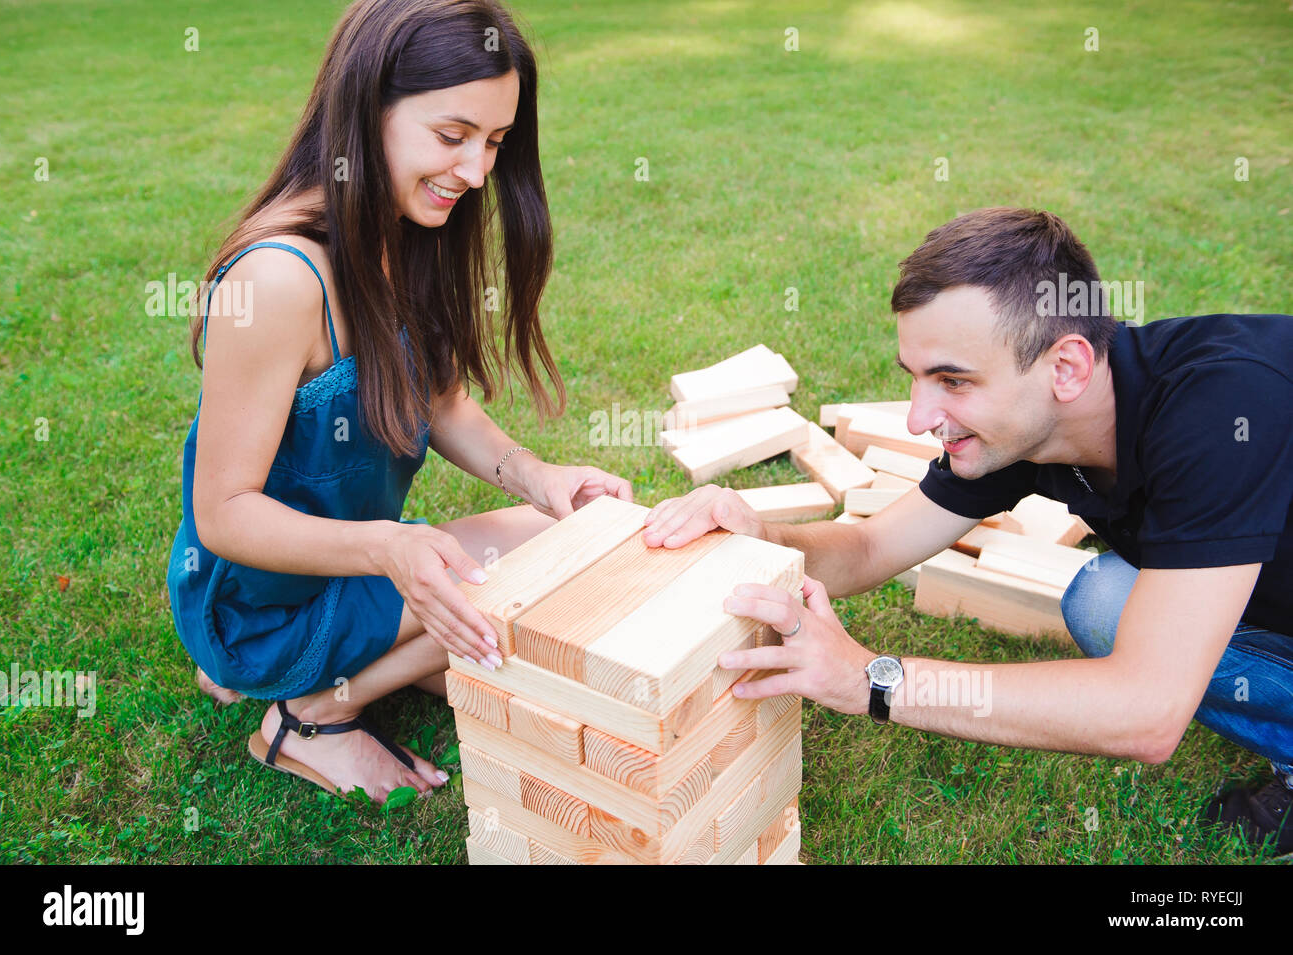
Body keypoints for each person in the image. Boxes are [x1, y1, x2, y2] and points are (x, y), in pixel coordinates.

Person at [644, 207, 1293, 854]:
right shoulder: (1030, 423)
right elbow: (872, 547)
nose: (922, 417)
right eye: (917, 379)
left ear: (1065, 368)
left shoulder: (1222, 410)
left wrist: (871, 678)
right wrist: (764, 536)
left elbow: (1147, 711)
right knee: (1100, 600)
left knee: (1132, 637)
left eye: (953, 381)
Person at [166, 0, 631, 804]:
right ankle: (311, 715)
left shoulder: (407, 228)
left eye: (495, 142)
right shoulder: (278, 278)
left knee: (576, 533)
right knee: (502, 589)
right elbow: (224, 513)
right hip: (260, 606)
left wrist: (539, 477)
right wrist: (390, 549)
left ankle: (382, 649)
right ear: (364, 109)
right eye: (451, 137)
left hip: (360, 563)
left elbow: (441, 401)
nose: (478, 172)